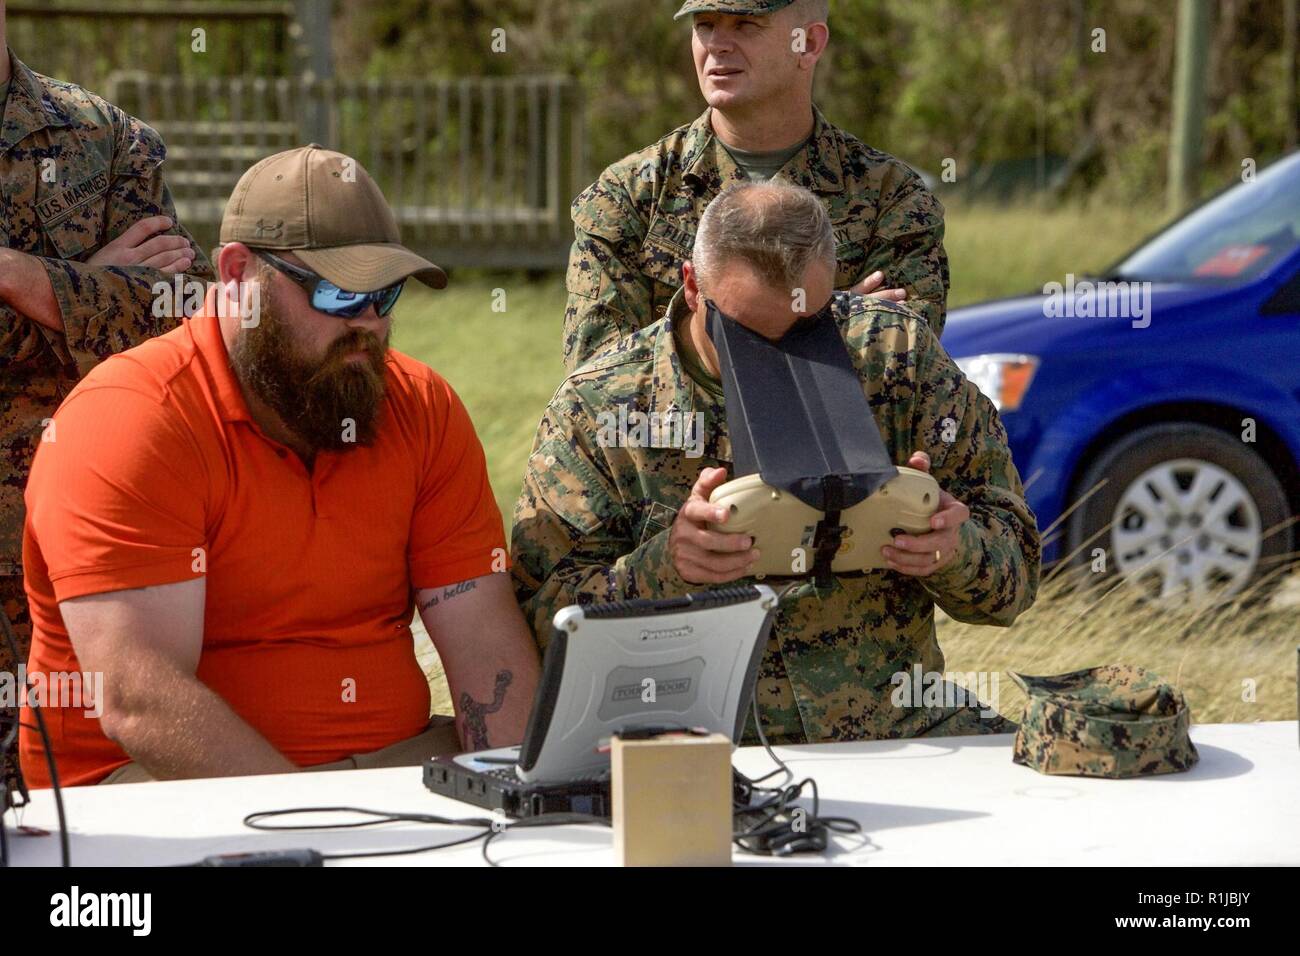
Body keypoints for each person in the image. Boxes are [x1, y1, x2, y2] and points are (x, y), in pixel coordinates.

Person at [19, 145, 541, 787]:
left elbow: (486, 649)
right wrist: (312, 833)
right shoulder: (132, 420)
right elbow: (141, 701)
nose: (371, 325)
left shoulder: (419, 407)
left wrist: (524, 798)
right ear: (238, 274)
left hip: (384, 767)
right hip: (151, 787)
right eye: (339, 294)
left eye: (386, 293)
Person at [514, 181, 1038, 744]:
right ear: (692, 286)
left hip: (900, 729)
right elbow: (539, 619)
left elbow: (1015, 582)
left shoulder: (895, 360)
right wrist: (665, 566)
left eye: (805, 327)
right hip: (696, 748)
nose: (772, 354)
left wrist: (951, 550)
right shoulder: (604, 404)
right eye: (742, 333)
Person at [1, 0, 212, 800]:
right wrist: (93, 282)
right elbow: (127, 307)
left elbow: (178, 309)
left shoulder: (104, 137)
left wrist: (18, 276)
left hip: (93, 566)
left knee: (89, 818)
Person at [561, 0, 949, 370]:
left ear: (808, 44)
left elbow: (902, 364)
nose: (716, 44)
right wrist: (823, 326)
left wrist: (699, 337)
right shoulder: (628, 196)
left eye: (745, 24)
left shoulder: (891, 197)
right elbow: (601, 374)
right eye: (704, 25)